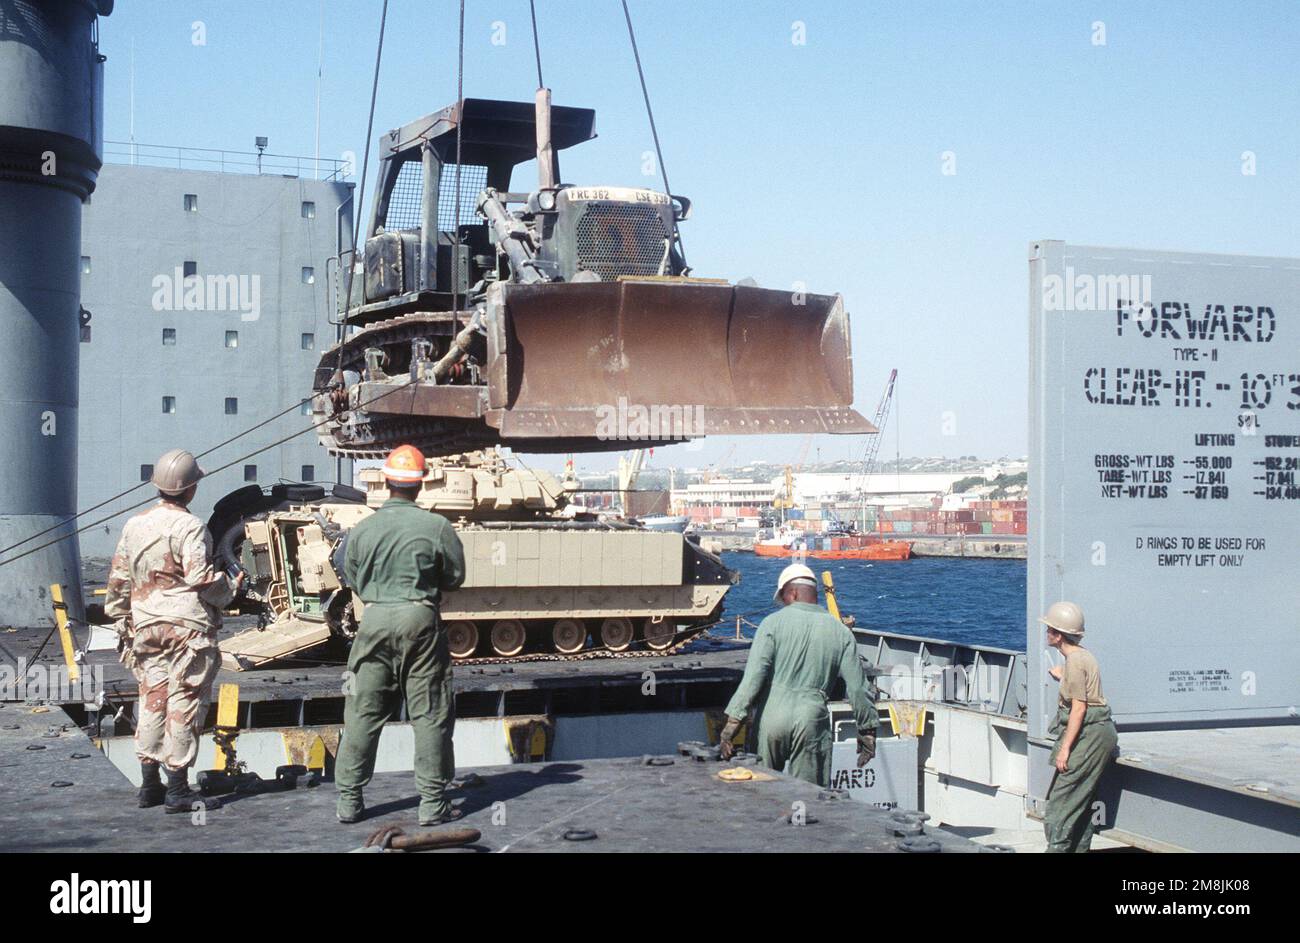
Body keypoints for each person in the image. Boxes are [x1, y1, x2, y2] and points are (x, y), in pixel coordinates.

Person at [105, 448, 243, 812]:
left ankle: (149, 786)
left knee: (152, 700)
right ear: (191, 488)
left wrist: (121, 616)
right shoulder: (190, 526)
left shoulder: (134, 525)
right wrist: (230, 589)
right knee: (184, 702)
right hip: (186, 630)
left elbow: (119, 578)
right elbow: (200, 580)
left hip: (146, 627)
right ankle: (178, 791)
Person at [335, 444, 466, 826]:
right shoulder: (437, 527)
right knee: (430, 713)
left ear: (387, 482)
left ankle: (348, 800)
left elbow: (354, 579)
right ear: (420, 485)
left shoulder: (361, 529)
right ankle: (432, 804)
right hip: (420, 621)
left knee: (361, 709)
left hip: (374, 621)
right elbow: (454, 578)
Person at [718, 563, 878, 786]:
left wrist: (731, 725)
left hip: (771, 718)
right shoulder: (840, 631)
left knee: (760, 793)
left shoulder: (771, 624)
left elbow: (753, 678)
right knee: (809, 798)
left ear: (792, 593)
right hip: (811, 718)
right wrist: (867, 730)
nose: (783, 603)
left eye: (783, 598)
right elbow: (858, 689)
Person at [1041, 600, 1117, 853]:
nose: (1046, 633)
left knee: (1059, 809)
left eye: (1049, 629)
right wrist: (1062, 677)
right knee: (1082, 804)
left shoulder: (1073, 661)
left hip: (1089, 734)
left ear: (1059, 635)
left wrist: (1064, 749)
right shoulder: (1083, 655)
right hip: (1101, 732)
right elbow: (1085, 687)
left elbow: (1080, 708)